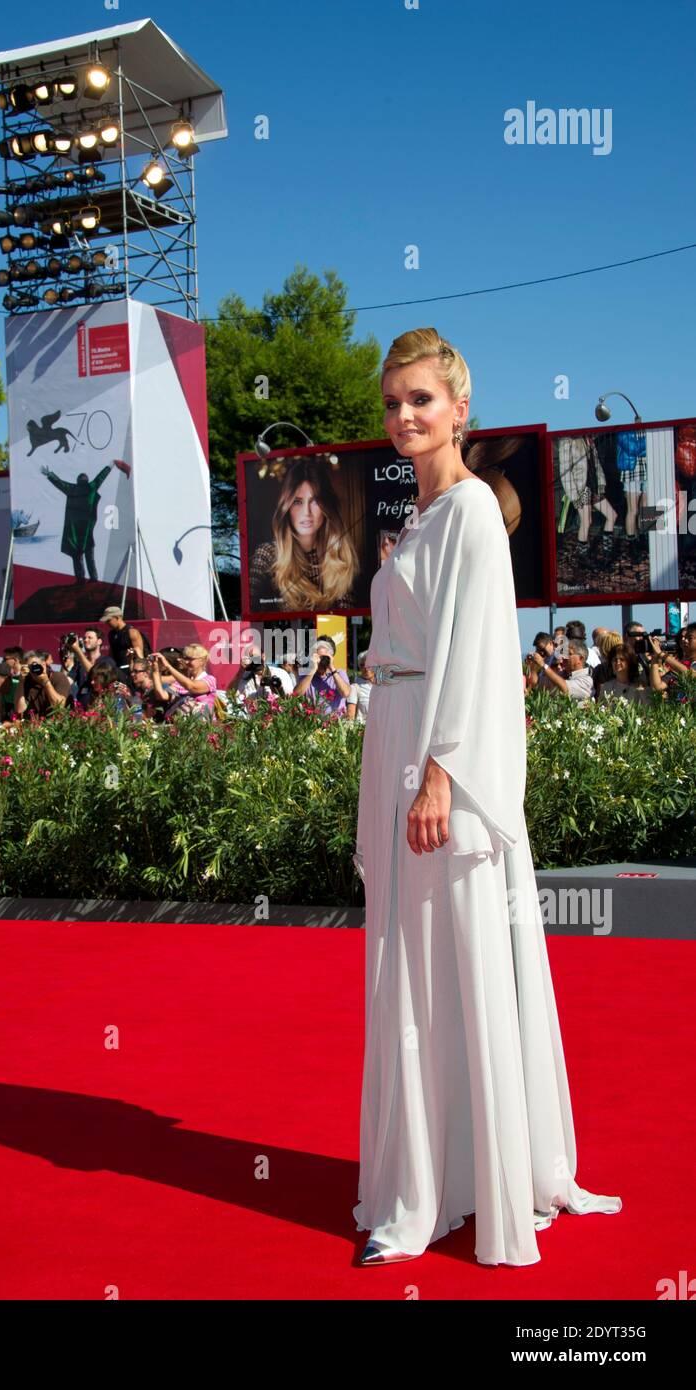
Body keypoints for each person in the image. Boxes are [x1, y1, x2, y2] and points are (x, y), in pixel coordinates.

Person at [353, 326, 621, 1268]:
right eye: (392, 403)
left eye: (420, 399)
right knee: (417, 970)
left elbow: (479, 655)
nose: (404, 417)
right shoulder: (420, 521)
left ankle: (442, 1194)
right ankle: (441, 1178)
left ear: (459, 407)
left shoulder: (469, 511)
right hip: (396, 737)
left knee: (452, 966)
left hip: (437, 759)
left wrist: (441, 775)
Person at [248, 455, 361, 612]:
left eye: (315, 501)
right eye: (297, 502)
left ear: (326, 506)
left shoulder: (340, 557)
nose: (306, 512)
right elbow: (249, 615)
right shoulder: (267, 555)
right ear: (286, 507)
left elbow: (347, 620)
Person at [41, 463, 113, 582]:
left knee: (77, 555)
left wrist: (49, 474)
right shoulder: (91, 487)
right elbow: (100, 477)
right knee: (89, 555)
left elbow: (60, 483)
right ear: (86, 480)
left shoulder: (72, 489)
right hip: (87, 529)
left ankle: (81, 579)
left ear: (78, 481)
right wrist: (109, 467)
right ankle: (93, 578)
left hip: (74, 530)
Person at [150, 645, 217, 718]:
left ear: (202, 660)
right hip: (184, 726)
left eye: (190, 659)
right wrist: (155, 671)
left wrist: (168, 666)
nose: (186, 662)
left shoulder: (210, 679)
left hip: (202, 726)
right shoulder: (179, 683)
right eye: (185, 658)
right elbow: (162, 695)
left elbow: (192, 687)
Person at [293, 639, 352, 715]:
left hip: (335, 723)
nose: (321, 661)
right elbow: (296, 695)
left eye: (324, 657)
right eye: (318, 657)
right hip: (313, 723)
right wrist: (313, 669)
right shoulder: (306, 676)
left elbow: (346, 693)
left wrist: (332, 668)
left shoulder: (340, 673)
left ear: (331, 657)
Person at [100, 607, 151, 691]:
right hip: (117, 671)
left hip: (131, 673)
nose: (107, 623)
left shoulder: (132, 632)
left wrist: (136, 673)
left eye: (109, 620)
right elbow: (111, 653)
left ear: (117, 618)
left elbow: (140, 657)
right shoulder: (111, 634)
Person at [596, 643, 663, 705]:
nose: (618, 662)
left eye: (622, 659)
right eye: (615, 659)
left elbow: (648, 709)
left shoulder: (640, 687)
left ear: (629, 662)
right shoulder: (606, 687)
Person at [14, 650, 72, 720]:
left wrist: (46, 682)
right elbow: (20, 710)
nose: (34, 669)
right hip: (36, 727)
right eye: (31, 667)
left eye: (35, 665)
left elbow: (59, 707)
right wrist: (21, 681)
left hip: (57, 726)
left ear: (44, 664)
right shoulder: (27, 681)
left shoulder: (58, 677)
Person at [346, 650, 373, 723]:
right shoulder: (355, 687)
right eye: (362, 665)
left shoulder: (384, 685)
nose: (366, 668)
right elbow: (350, 716)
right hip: (363, 731)